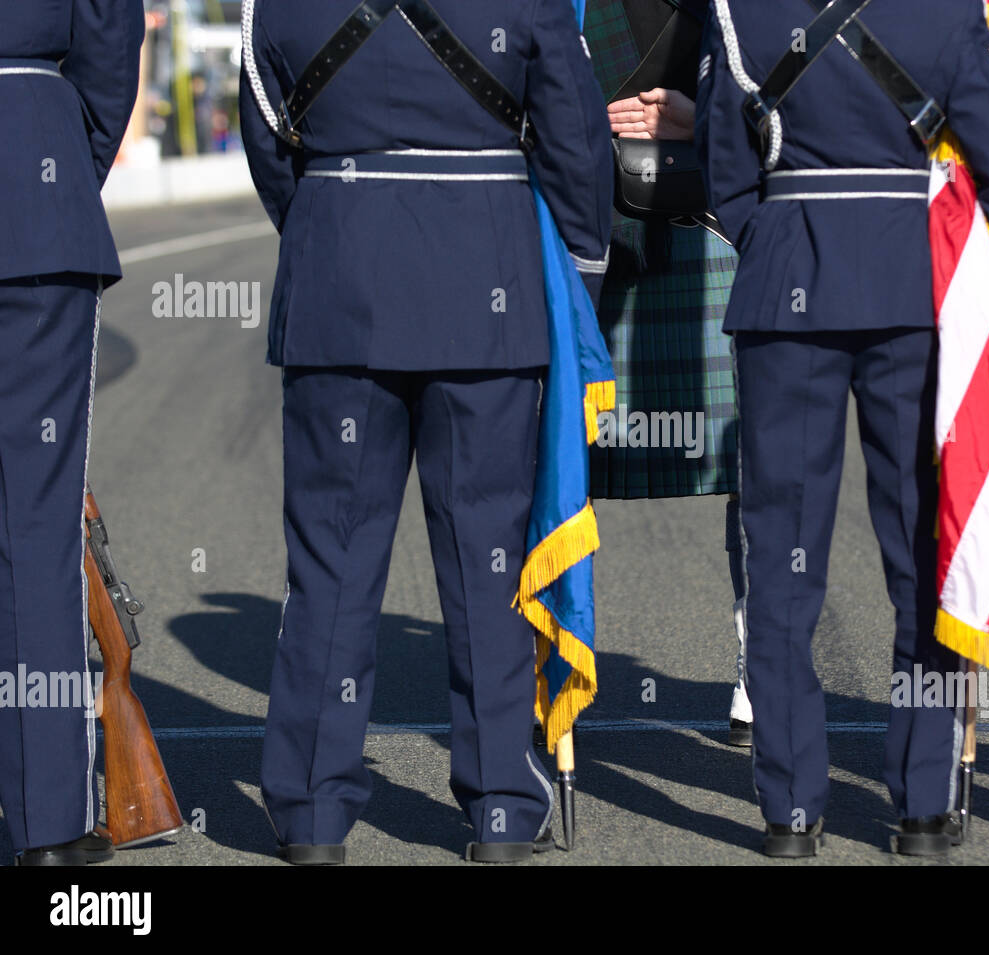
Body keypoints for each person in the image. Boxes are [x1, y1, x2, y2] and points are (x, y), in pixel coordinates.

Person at [240, 0, 612, 864]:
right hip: (488, 290)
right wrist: (575, 287)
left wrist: (335, 230)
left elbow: (271, 147)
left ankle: (310, 813)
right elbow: (576, 146)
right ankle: (503, 813)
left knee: (329, 562)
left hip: (339, 286)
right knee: (488, 564)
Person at [698, 0, 989, 857]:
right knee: (923, 551)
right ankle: (924, 804)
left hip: (789, 283)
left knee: (782, 558)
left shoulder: (739, 10)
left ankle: (790, 811)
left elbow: (726, 171)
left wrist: (781, 240)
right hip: (913, 284)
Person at [582, 0, 751, 747]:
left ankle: (759, 664)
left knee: (756, 467)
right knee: (557, 459)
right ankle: (550, 657)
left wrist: (704, 117)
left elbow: (785, 94)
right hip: (593, 230)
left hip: (711, 220)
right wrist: (586, 120)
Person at [0, 0, 144, 867]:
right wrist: (48, 163)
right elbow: (107, 43)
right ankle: (46, 817)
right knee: (35, 527)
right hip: (34, 187)